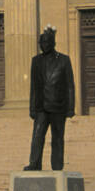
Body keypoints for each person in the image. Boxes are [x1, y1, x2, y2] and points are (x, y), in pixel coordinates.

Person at [25, 28, 76, 171]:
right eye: (41, 42)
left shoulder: (64, 60)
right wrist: (32, 108)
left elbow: (70, 85)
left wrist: (71, 107)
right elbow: (34, 86)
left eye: (46, 42)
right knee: (37, 136)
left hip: (58, 106)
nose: (43, 45)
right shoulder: (36, 61)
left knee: (58, 138)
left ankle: (57, 165)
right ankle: (34, 163)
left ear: (53, 43)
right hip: (41, 106)